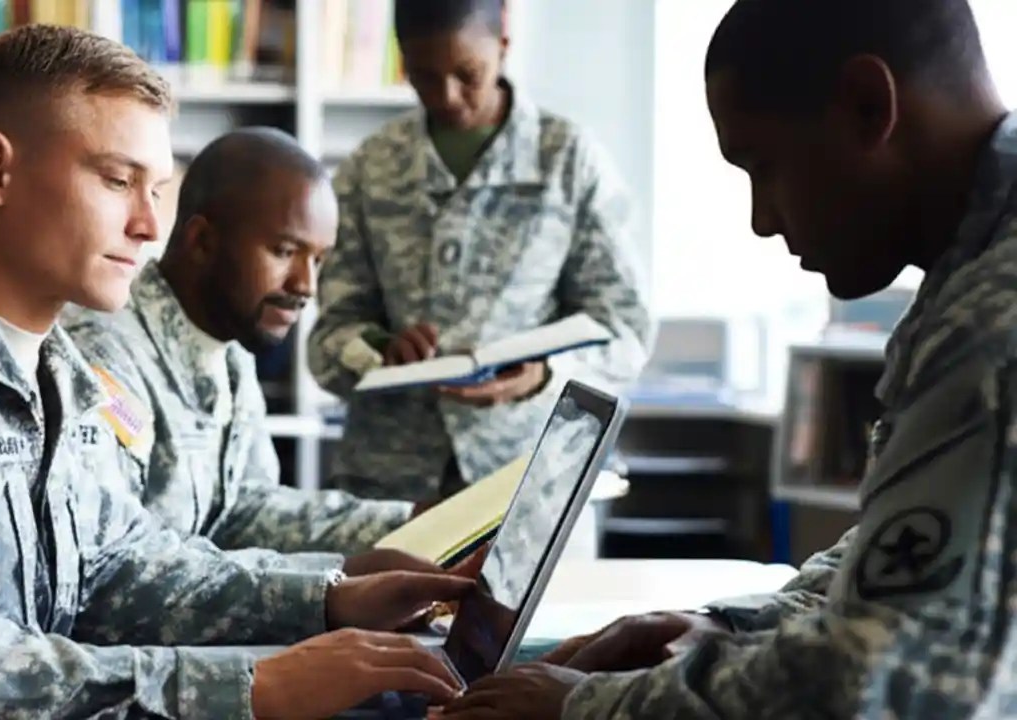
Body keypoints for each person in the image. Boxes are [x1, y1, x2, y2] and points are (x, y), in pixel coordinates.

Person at [0, 25, 475, 720]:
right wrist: (251, 688)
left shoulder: (58, 367)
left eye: (156, 191)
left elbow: (118, 568)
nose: (151, 226)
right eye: (119, 181)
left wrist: (328, 600)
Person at [435, 0, 1017, 717]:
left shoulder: (994, 319)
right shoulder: (968, 270)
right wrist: (727, 626)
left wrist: (588, 708)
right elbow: (899, 556)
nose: (762, 218)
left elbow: (868, 681)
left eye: (764, 167)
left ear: (869, 107)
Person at [306, 0, 654, 504]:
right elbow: (329, 340)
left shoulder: (567, 160)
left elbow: (625, 330)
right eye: (423, 77)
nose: (447, 96)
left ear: (504, 45)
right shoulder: (369, 168)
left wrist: (544, 375)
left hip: (530, 480)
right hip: (390, 487)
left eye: (468, 74)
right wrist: (380, 348)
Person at [64, 126, 432, 575]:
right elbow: (116, 576)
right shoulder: (101, 356)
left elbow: (242, 510)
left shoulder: (231, 345)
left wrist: (419, 524)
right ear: (202, 242)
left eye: (317, 260)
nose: (306, 286)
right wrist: (331, 589)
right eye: (284, 251)